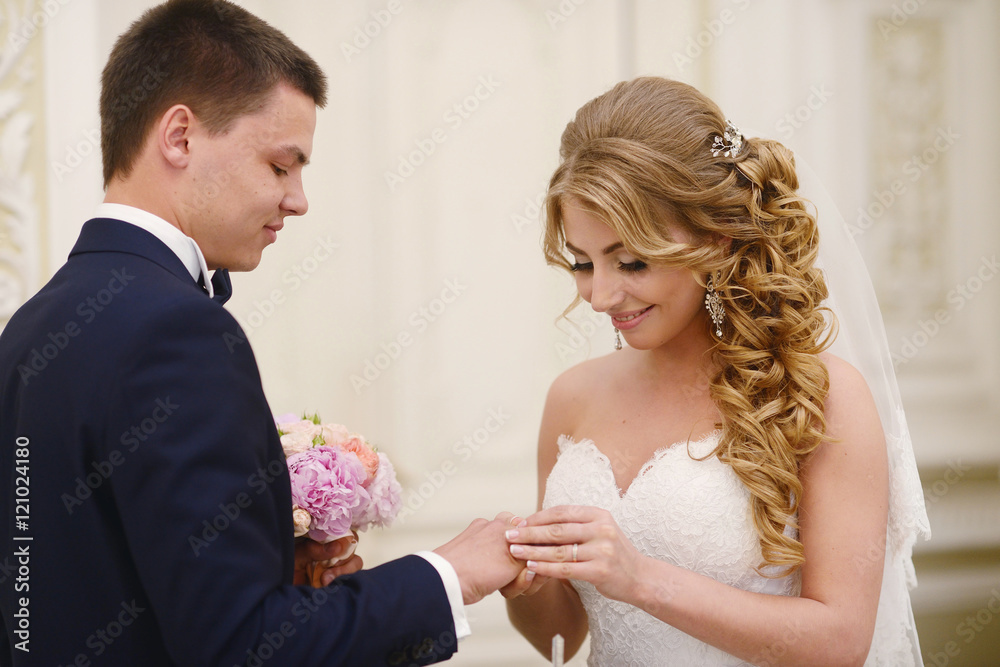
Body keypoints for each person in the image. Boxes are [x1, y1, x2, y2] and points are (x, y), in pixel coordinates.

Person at [0, 2, 522, 665]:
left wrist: (264, 563)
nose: (299, 198)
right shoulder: (177, 330)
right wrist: (450, 573)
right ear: (181, 137)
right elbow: (244, 647)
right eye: (281, 165)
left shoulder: (32, 325)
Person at [503, 77, 929, 666]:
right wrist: (524, 580)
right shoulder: (571, 397)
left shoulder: (821, 396)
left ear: (716, 239)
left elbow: (839, 643)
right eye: (582, 263)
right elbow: (564, 635)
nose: (600, 296)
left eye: (631, 262)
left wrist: (642, 578)